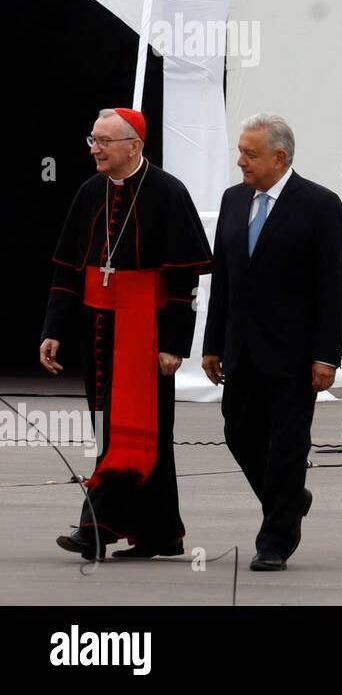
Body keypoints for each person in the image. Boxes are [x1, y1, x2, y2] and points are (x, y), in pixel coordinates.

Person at [40, 108, 212, 560]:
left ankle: (94, 528)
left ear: (134, 146)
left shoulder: (169, 193)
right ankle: (160, 534)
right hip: (98, 327)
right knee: (110, 430)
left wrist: (175, 343)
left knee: (134, 431)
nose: (94, 149)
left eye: (104, 141)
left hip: (146, 330)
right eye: (92, 140)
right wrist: (53, 329)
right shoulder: (89, 191)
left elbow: (183, 281)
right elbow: (67, 269)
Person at [201, 114, 342, 572]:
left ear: (280, 157)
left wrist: (326, 355)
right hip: (241, 349)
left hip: (295, 354)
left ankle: (276, 540)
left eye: (250, 153)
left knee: (287, 445)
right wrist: (212, 344)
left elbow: (332, 288)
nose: (241, 161)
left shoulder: (321, 205)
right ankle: (289, 498)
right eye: (240, 152)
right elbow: (224, 278)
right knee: (238, 433)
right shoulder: (232, 200)